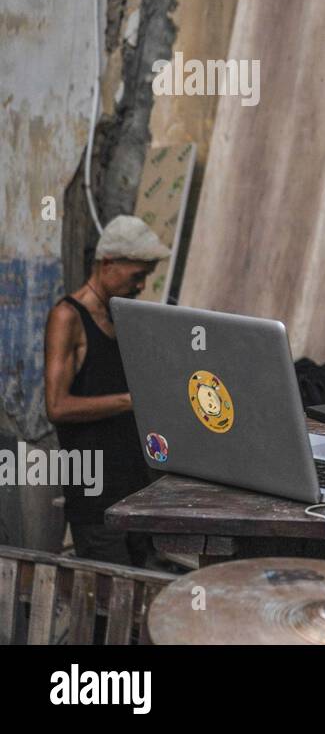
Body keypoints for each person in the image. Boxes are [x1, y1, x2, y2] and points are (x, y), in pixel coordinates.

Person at [43, 215, 170, 566]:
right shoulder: (67, 317)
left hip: (133, 489)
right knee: (103, 607)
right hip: (94, 496)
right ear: (108, 263)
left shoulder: (121, 318)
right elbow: (56, 406)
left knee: (141, 598)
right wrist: (129, 401)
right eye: (137, 276)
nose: (142, 286)